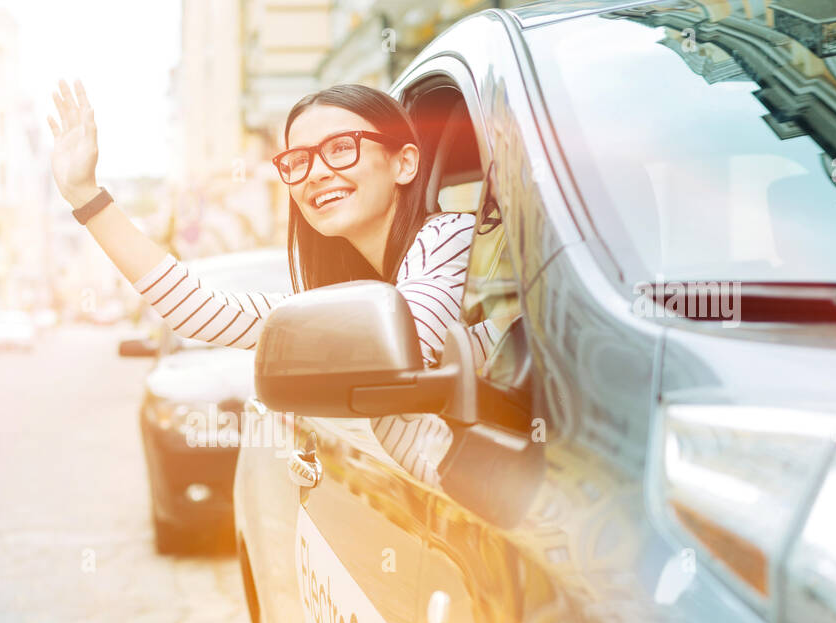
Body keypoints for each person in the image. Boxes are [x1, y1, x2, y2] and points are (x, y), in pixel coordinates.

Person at [48, 78, 499, 485]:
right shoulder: (354, 297)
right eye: (298, 160)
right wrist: (86, 196)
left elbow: (404, 361)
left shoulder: (448, 236)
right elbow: (198, 311)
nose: (317, 171)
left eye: (342, 147)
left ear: (404, 163)